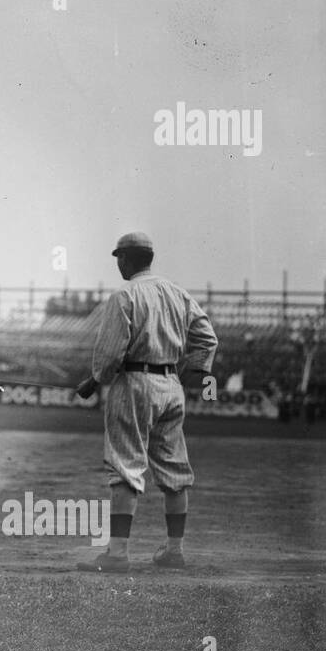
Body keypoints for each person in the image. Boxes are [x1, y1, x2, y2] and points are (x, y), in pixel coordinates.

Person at [73, 232, 218, 572]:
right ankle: (174, 550)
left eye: (118, 258)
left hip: (135, 383)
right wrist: (188, 370)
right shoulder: (177, 292)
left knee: (125, 464)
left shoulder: (125, 294)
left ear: (126, 258)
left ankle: (118, 554)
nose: (118, 264)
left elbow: (109, 355)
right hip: (170, 384)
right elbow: (207, 339)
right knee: (175, 468)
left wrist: (94, 381)